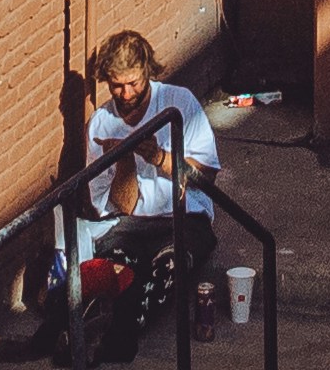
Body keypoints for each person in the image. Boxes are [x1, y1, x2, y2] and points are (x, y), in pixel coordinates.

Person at [71, 34, 222, 345]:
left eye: (134, 83)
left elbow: (208, 174)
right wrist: (124, 162)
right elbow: (114, 206)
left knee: (165, 271)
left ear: (148, 73)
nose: (126, 94)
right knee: (114, 270)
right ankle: (84, 331)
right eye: (117, 85)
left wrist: (160, 158)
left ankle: (114, 337)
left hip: (185, 217)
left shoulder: (179, 103)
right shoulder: (101, 124)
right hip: (129, 224)